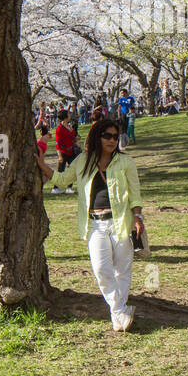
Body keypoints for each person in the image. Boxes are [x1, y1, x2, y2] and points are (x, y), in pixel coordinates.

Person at [36, 117, 144, 332]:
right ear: (98, 137)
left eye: (115, 136)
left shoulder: (126, 162)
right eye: (107, 136)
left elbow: (135, 194)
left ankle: (118, 316)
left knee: (123, 270)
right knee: (101, 269)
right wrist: (40, 164)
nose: (112, 140)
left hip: (121, 221)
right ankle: (119, 310)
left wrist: (138, 217)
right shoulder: (83, 160)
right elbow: (62, 180)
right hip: (95, 225)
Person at [53, 110, 79, 193]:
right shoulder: (59, 129)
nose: (70, 115)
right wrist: (59, 155)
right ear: (65, 117)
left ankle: (69, 188)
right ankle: (55, 188)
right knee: (61, 170)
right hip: (63, 152)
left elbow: (72, 137)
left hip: (72, 151)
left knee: (73, 169)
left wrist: (76, 138)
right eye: (68, 114)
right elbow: (57, 143)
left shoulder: (69, 126)